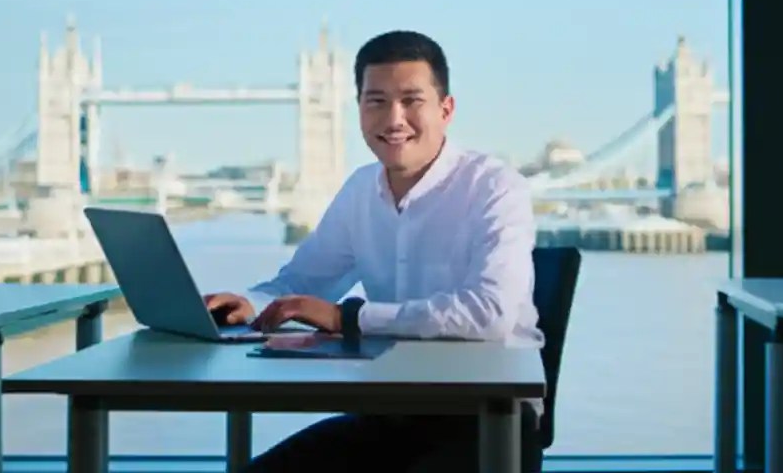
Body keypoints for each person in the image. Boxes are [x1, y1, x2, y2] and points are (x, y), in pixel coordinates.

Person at [202, 30, 545, 473]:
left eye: (411, 100)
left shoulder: (495, 187)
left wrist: (348, 317)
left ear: (446, 110)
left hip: (489, 420)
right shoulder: (360, 189)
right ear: (359, 110)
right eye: (376, 101)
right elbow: (304, 282)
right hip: (390, 413)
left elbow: (490, 312)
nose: (393, 119)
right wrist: (251, 303)